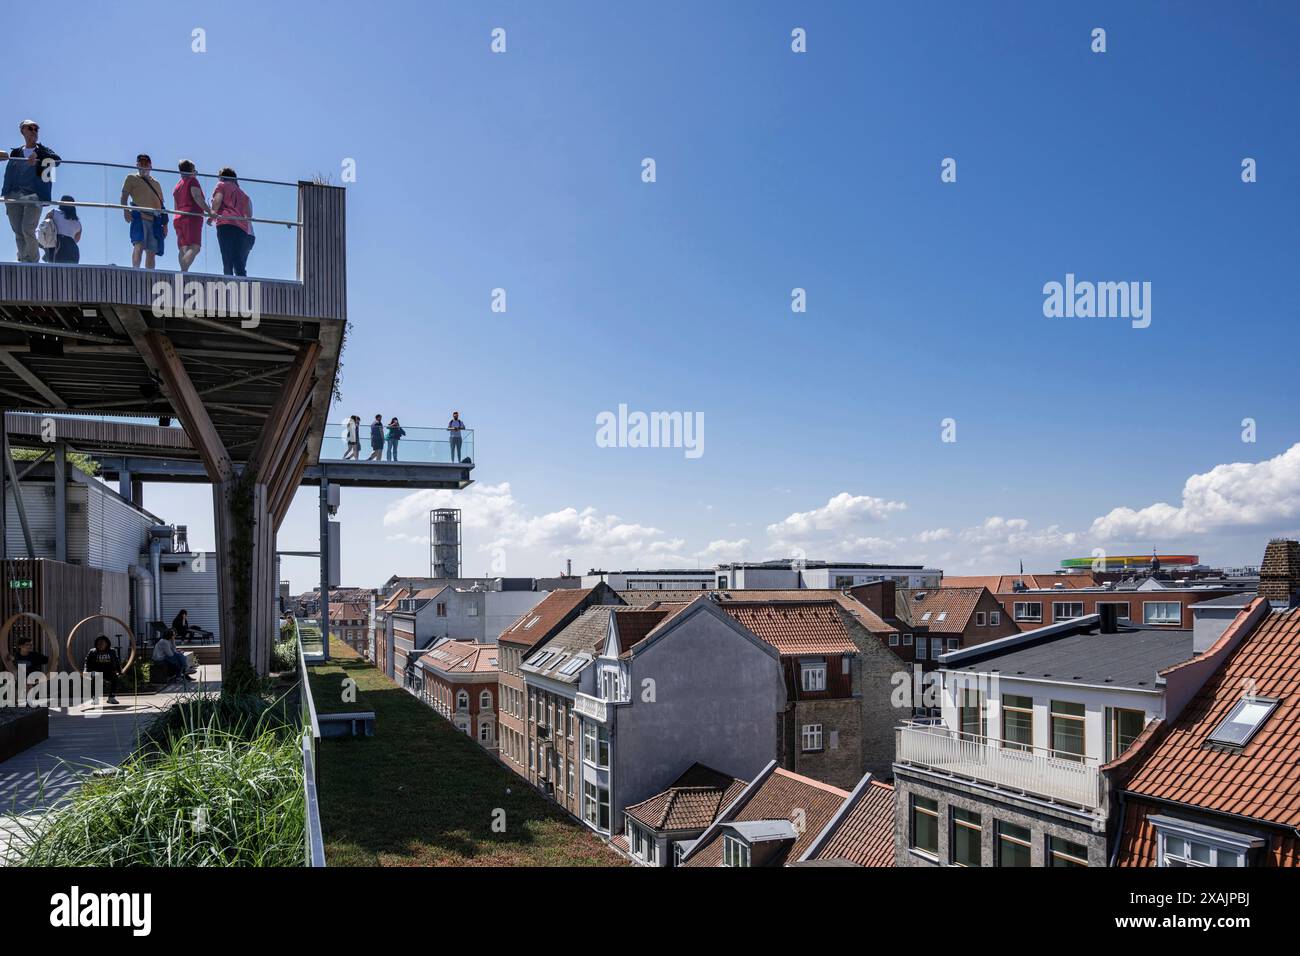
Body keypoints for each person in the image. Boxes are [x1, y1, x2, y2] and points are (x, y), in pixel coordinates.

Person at [2, 119, 60, 263]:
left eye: (36, 129)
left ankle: (32, 262)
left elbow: (57, 160)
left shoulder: (43, 150)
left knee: (27, 228)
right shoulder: (16, 152)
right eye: (30, 128)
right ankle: (23, 260)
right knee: (18, 231)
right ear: (22, 131)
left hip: (34, 196)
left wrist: (39, 156)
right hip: (13, 195)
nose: (34, 131)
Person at [120, 154, 168, 269]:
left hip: (155, 220)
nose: (143, 166)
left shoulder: (156, 184)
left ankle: (149, 276)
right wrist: (125, 211)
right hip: (139, 217)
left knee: (151, 251)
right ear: (137, 165)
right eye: (141, 164)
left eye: (146, 164)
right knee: (138, 245)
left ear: (150, 166)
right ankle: (136, 271)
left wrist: (165, 224)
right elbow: (124, 196)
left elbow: (161, 205)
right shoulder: (131, 178)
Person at [209, 167, 255, 276]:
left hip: (226, 224)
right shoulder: (243, 194)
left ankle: (228, 282)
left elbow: (217, 202)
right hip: (241, 228)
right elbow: (249, 214)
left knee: (227, 257)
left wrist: (211, 217)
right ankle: (242, 283)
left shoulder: (221, 185)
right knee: (237, 259)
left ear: (222, 177)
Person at [172, 159, 210, 272]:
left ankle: (183, 271)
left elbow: (176, 206)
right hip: (191, 217)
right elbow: (197, 196)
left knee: (184, 248)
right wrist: (209, 211)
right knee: (195, 247)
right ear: (192, 170)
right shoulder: (192, 181)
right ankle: (183, 271)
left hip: (178, 217)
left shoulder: (177, 186)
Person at [41, 195, 81, 263]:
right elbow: (76, 240)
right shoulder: (78, 223)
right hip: (73, 249)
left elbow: (44, 227)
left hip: (57, 245)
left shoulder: (54, 212)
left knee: (55, 271)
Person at [84, 635, 123, 704]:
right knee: (96, 678)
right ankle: (95, 698)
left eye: (102, 644)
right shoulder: (92, 651)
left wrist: (120, 671)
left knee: (115, 677)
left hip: (108, 672)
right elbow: (87, 662)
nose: (100, 645)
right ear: (96, 644)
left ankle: (111, 697)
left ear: (106, 644)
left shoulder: (112, 651)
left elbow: (117, 661)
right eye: (98, 644)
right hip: (97, 671)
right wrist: (86, 671)